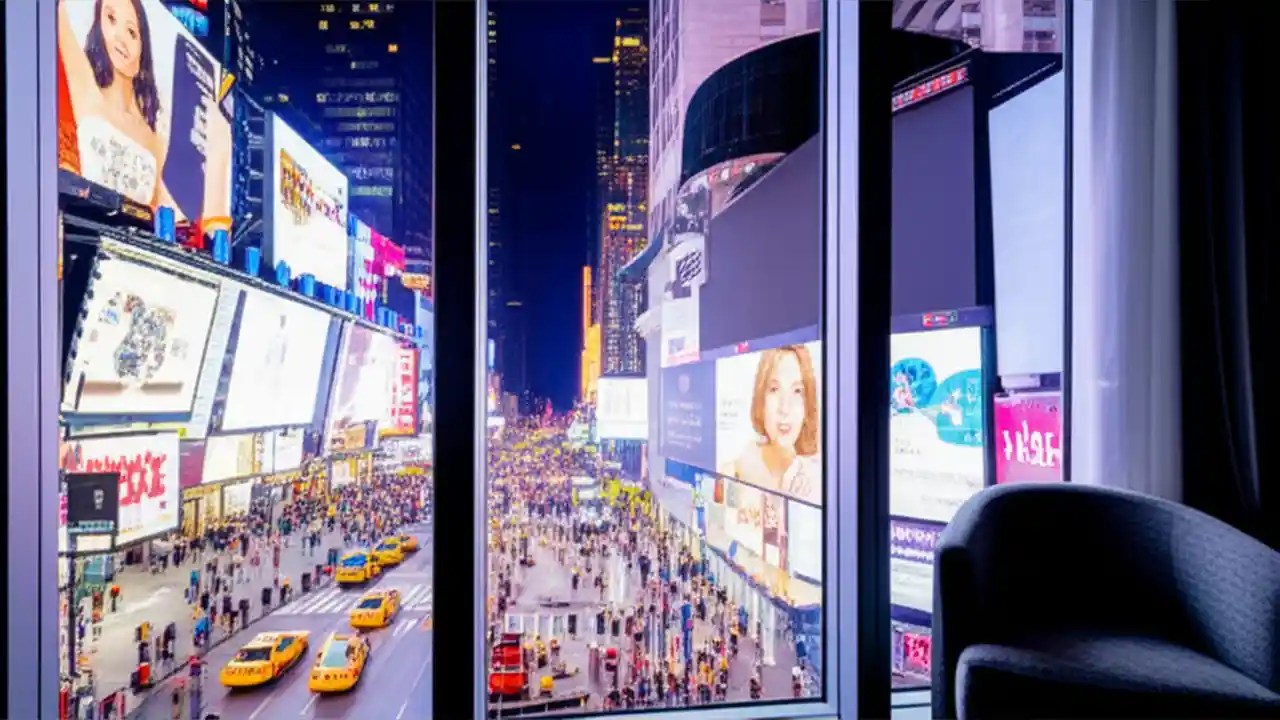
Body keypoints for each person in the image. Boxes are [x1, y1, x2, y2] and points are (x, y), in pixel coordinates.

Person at [719, 345, 822, 504]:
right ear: (761, 398)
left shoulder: (819, 480)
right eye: (774, 389)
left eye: (797, 391)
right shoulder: (734, 474)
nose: (784, 408)